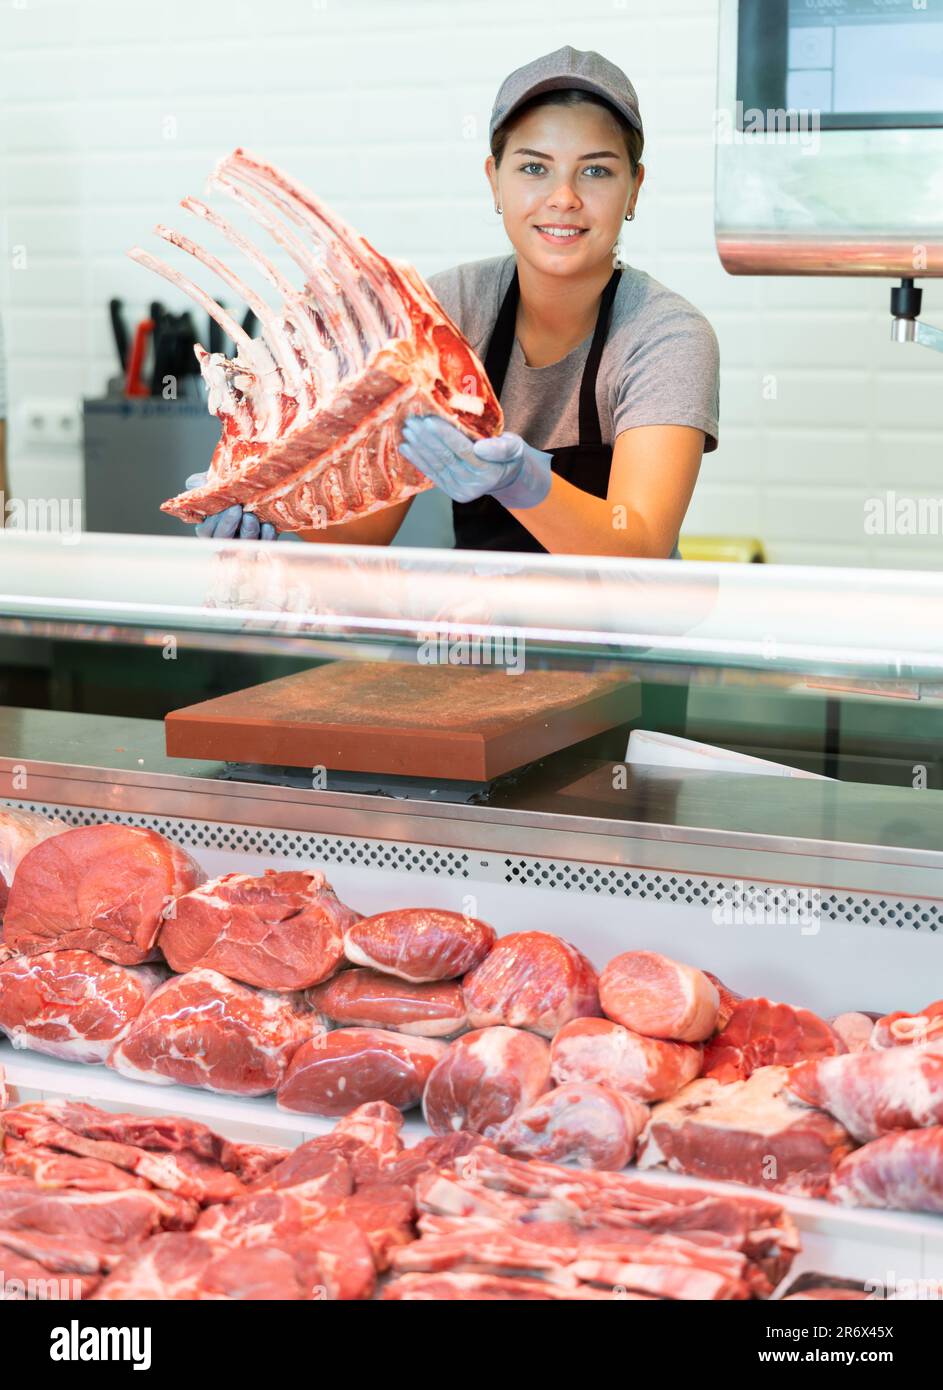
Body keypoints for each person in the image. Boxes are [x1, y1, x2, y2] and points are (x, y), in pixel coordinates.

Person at [191, 46, 719, 556]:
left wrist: (523, 485)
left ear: (634, 189)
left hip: (622, 641)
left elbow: (640, 550)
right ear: (495, 182)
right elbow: (366, 536)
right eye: (534, 168)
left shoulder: (666, 336)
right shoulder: (446, 311)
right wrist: (269, 510)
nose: (564, 198)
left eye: (596, 170)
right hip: (481, 637)